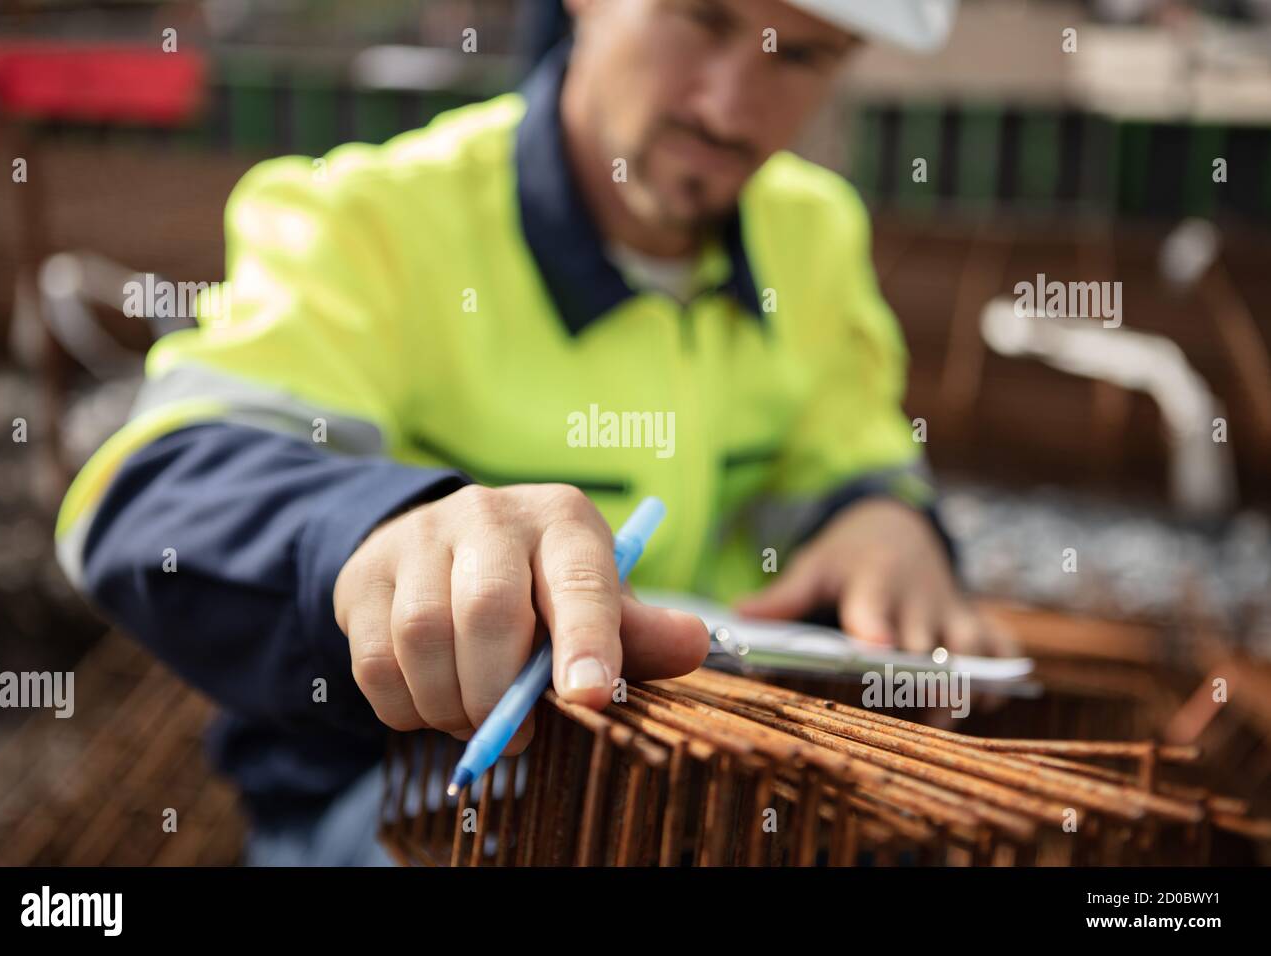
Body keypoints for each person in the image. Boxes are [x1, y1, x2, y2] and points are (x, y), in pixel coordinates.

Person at [56, 0, 1003, 866]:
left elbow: (854, 449)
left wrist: (883, 517)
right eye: (703, 19)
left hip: (700, 785)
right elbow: (160, 487)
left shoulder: (815, 234)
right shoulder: (372, 223)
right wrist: (380, 534)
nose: (730, 108)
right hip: (397, 798)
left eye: (800, 54)